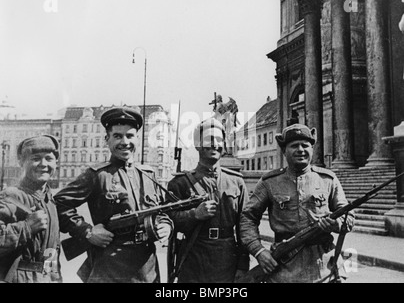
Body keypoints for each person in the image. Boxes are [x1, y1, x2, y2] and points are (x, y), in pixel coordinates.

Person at [54, 106, 173, 283]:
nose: (125, 142)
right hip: (109, 268)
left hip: (146, 270)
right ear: (106, 140)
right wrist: (87, 231)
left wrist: (165, 225)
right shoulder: (96, 175)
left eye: (130, 136)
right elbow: (59, 203)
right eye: (117, 136)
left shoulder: (149, 175)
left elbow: (162, 211)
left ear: (138, 139)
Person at [240, 123, 355, 283]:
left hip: (323, 267)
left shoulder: (328, 179)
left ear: (312, 149)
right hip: (284, 267)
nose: (300, 150)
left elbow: (348, 215)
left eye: (305, 145)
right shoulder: (269, 182)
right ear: (284, 150)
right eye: (294, 146)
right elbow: (247, 218)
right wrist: (259, 251)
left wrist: (336, 224)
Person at [167, 118, 250, 283]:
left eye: (219, 140)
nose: (215, 144)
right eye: (209, 139)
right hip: (193, 257)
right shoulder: (179, 183)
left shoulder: (236, 182)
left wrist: (242, 265)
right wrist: (194, 214)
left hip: (227, 260)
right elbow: (168, 221)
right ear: (197, 144)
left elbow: (245, 226)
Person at [0, 135, 62, 283]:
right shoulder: (10, 196)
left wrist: (55, 278)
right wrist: (27, 227)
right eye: (35, 158)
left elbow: (52, 249)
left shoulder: (50, 201)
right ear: (21, 162)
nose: (43, 164)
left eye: (49, 158)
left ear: (56, 162)